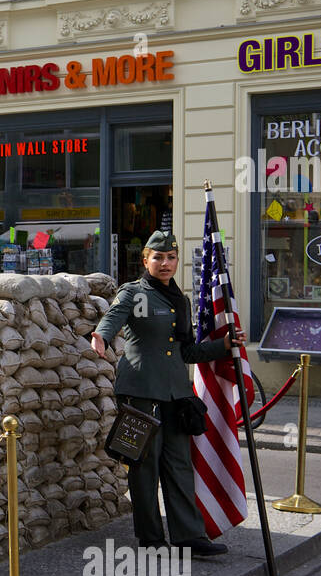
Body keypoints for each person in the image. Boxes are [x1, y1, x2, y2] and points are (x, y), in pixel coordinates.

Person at [91, 231, 246, 557]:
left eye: (170, 257)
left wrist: (224, 346)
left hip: (177, 394)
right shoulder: (133, 292)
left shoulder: (180, 300)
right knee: (144, 467)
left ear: (177, 260)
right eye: (158, 258)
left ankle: (189, 536)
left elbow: (187, 351)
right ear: (146, 260)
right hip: (141, 392)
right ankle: (150, 538)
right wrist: (101, 337)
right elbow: (112, 317)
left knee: (178, 465)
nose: (165, 263)